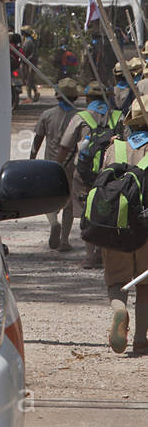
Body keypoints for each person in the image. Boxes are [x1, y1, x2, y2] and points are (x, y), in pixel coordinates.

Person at [95, 100, 148, 356]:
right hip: (145, 229)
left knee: (117, 281)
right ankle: (140, 340)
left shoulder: (113, 148)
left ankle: (119, 309)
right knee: (145, 285)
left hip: (115, 227)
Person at [58, 80, 123, 268]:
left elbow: (65, 145)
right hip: (111, 173)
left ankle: (90, 256)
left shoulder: (81, 117)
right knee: (106, 211)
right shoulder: (119, 116)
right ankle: (104, 255)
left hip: (85, 173)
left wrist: (58, 165)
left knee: (88, 213)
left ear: (87, 98)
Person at [30, 77, 79, 251]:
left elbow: (38, 139)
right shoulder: (80, 117)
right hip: (72, 165)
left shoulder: (47, 115)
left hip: (51, 165)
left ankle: (53, 222)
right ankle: (64, 241)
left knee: (50, 199)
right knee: (70, 202)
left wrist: (32, 159)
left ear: (57, 96)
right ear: (75, 97)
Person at [20, 26, 40, 101]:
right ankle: (35, 92)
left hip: (30, 63)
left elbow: (26, 52)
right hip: (30, 62)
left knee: (28, 80)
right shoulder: (30, 40)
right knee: (30, 80)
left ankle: (29, 97)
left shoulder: (28, 41)